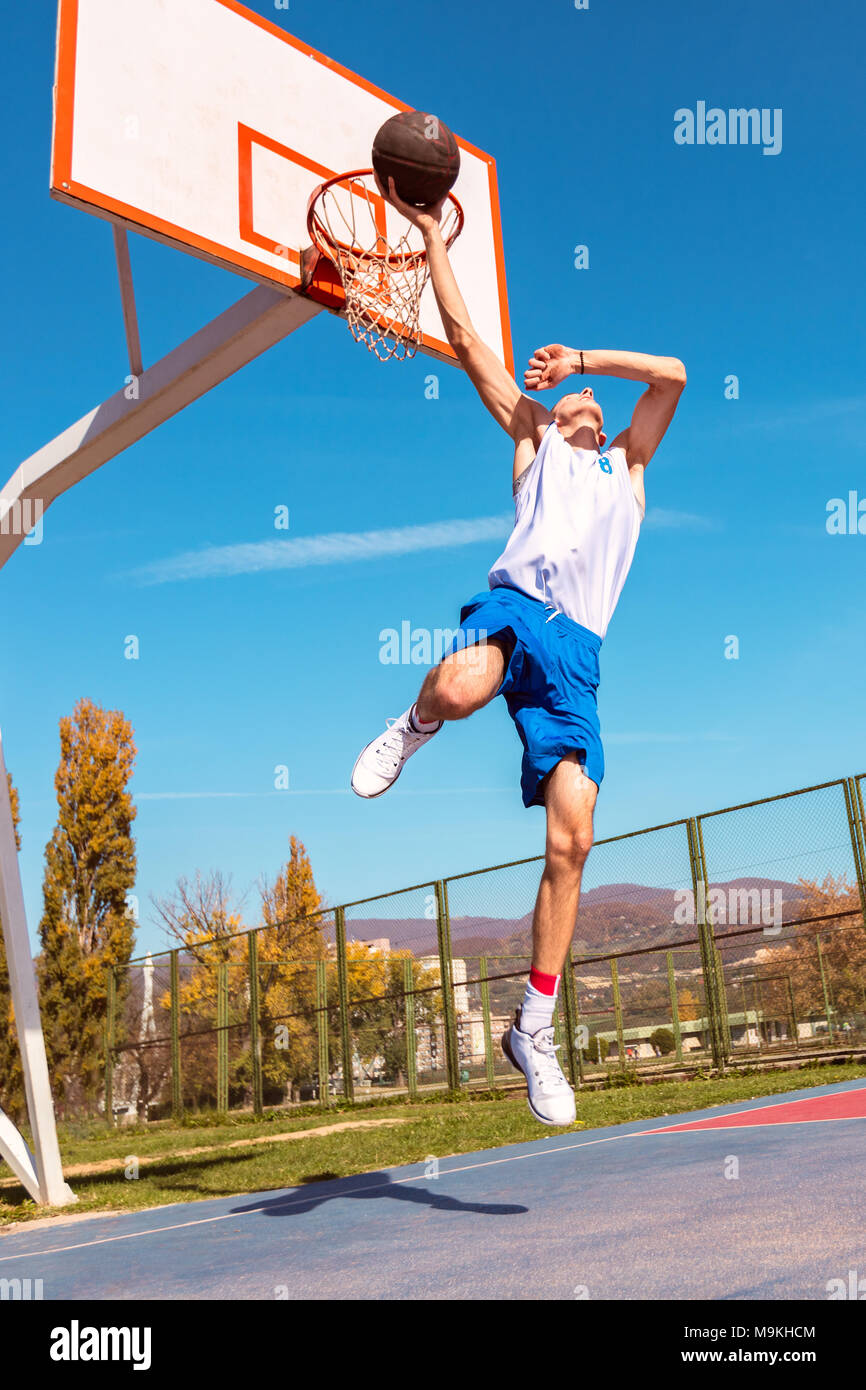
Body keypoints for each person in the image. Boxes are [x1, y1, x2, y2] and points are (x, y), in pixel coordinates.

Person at [352, 178, 686, 1125]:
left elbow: (673, 375)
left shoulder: (628, 467)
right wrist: (429, 238)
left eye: (585, 391)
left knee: (573, 837)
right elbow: (465, 340)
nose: (580, 394)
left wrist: (584, 353)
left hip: (579, 654)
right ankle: (412, 724)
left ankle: (532, 1026)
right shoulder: (535, 438)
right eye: (572, 389)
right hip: (517, 607)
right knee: (461, 686)